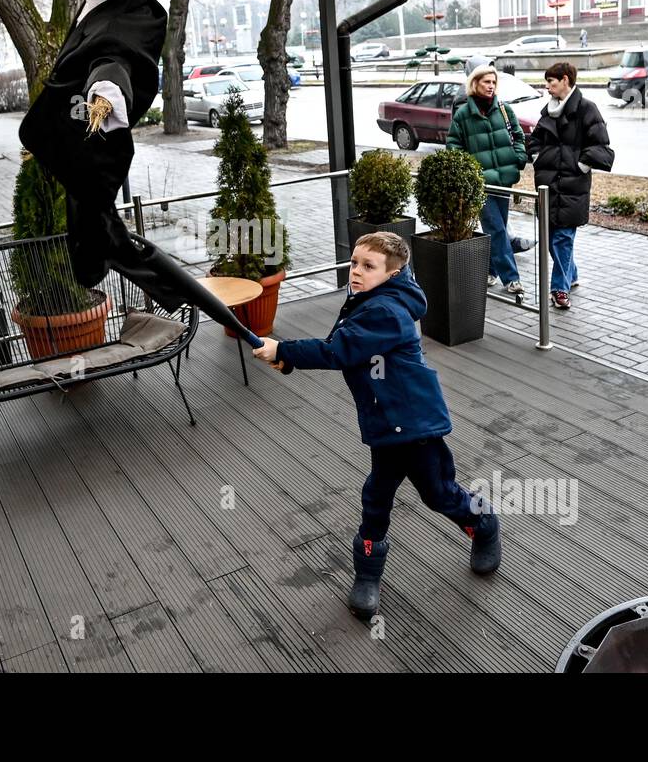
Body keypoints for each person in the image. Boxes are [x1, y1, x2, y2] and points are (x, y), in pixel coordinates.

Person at [17, 0, 262, 347]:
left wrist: (107, 94)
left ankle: (235, 326)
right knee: (106, 237)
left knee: (112, 240)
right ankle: (217, 316)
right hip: (73, 154)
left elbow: (118, 57)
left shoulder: (136, 13)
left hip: (90, 147)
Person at [251, 231, 501, 621]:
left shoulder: (388, 310)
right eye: (354, 263)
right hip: (385, 425)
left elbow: (339, 350)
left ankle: (483, 521)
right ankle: (368, 575)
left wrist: (283, 348)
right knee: (376, 500)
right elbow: (343, 345)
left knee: (438, 494)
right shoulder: (362, 300)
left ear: (393, 272)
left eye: (368, 266)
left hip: (416, 425)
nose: (356, 271)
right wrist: (289, 361)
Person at [529, 61, 614, 309]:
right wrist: (537, 157)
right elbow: (534, 142)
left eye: (551, 82)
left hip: (572, 187)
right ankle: (571, 274)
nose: (547, 87)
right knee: (551, 241)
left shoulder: (587, 109)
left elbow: (601, 146)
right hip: (547, 187)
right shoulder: (548, 111)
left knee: (562, 240)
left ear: (565, 80)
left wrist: (581, 165)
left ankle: (559, 290)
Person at [448, 64, 529, 295]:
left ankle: (490, 271)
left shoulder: (504, 110)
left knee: (498, 228)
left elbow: (518, 135)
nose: (491, 86)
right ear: (475, 84)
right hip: (480, 183)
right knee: (496, 228)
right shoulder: (463, 114)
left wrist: (519, 158)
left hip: (503, 180)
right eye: (486, 82)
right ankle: (511, 278)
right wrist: (469, 172)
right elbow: (454, 145)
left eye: (493, 82)